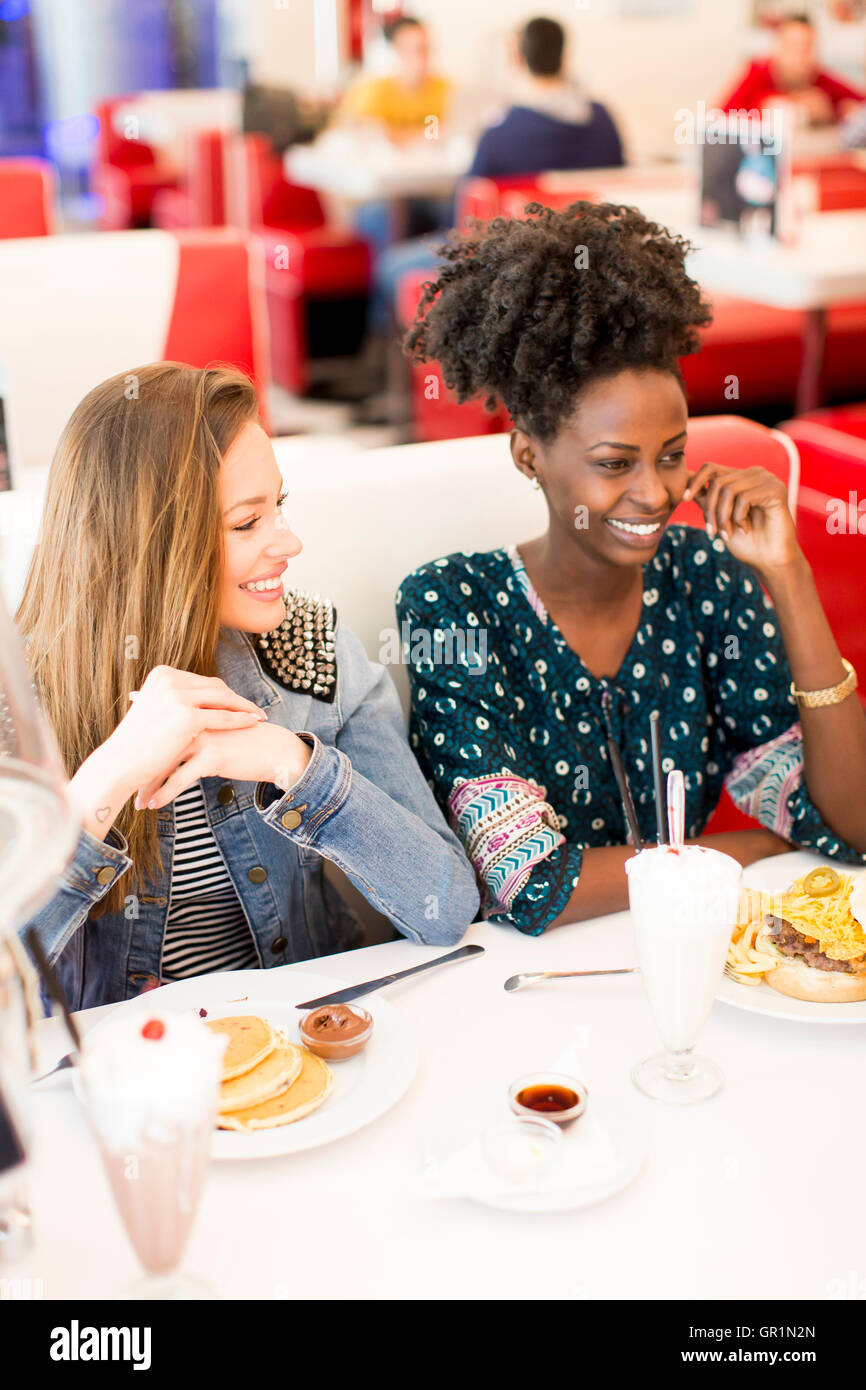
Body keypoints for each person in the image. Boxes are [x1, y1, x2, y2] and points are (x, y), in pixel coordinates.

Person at [396, 201, 866, 935]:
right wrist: (748, 850)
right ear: (530, 457)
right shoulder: (453, 605)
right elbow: (531, 883)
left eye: (673, 454)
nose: (656, 492)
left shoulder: (706, 578)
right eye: (615, 464)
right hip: (528, 997)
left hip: (701, 959)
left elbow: (852, 823)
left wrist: (789, 576)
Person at [19, 364, 478, 1007]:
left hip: (304, 1052)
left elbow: (447, 904)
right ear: (152, 544)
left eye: (278, 507)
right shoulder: (20, 702)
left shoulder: (315, 651)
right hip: (124, 1080)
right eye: (246, 523)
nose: (287, 542)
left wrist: (291, 761)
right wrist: (106, 779)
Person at [468, 16, 623, 178]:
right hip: (591, 202)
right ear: (563, 56)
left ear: (518, 59)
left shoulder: (500, 131)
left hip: (525, 204)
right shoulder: (602, 120)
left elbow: (469, 192)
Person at [720, 12, 863, 127]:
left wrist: (839, 114)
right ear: (778, 47)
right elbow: (718, 120)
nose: (799, 56)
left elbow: (861, 102)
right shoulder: (757, 73)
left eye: (807, 48)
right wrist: (792, 104)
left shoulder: (820, 79)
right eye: (793, 46)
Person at [338, 15, 450, 142]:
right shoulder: (373, 90)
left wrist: (397, 135)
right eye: (412, 49)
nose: (420, 57)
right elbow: (359, 134)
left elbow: (451, 134)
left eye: (424, 48)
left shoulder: (447, 90)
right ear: (397, 51)